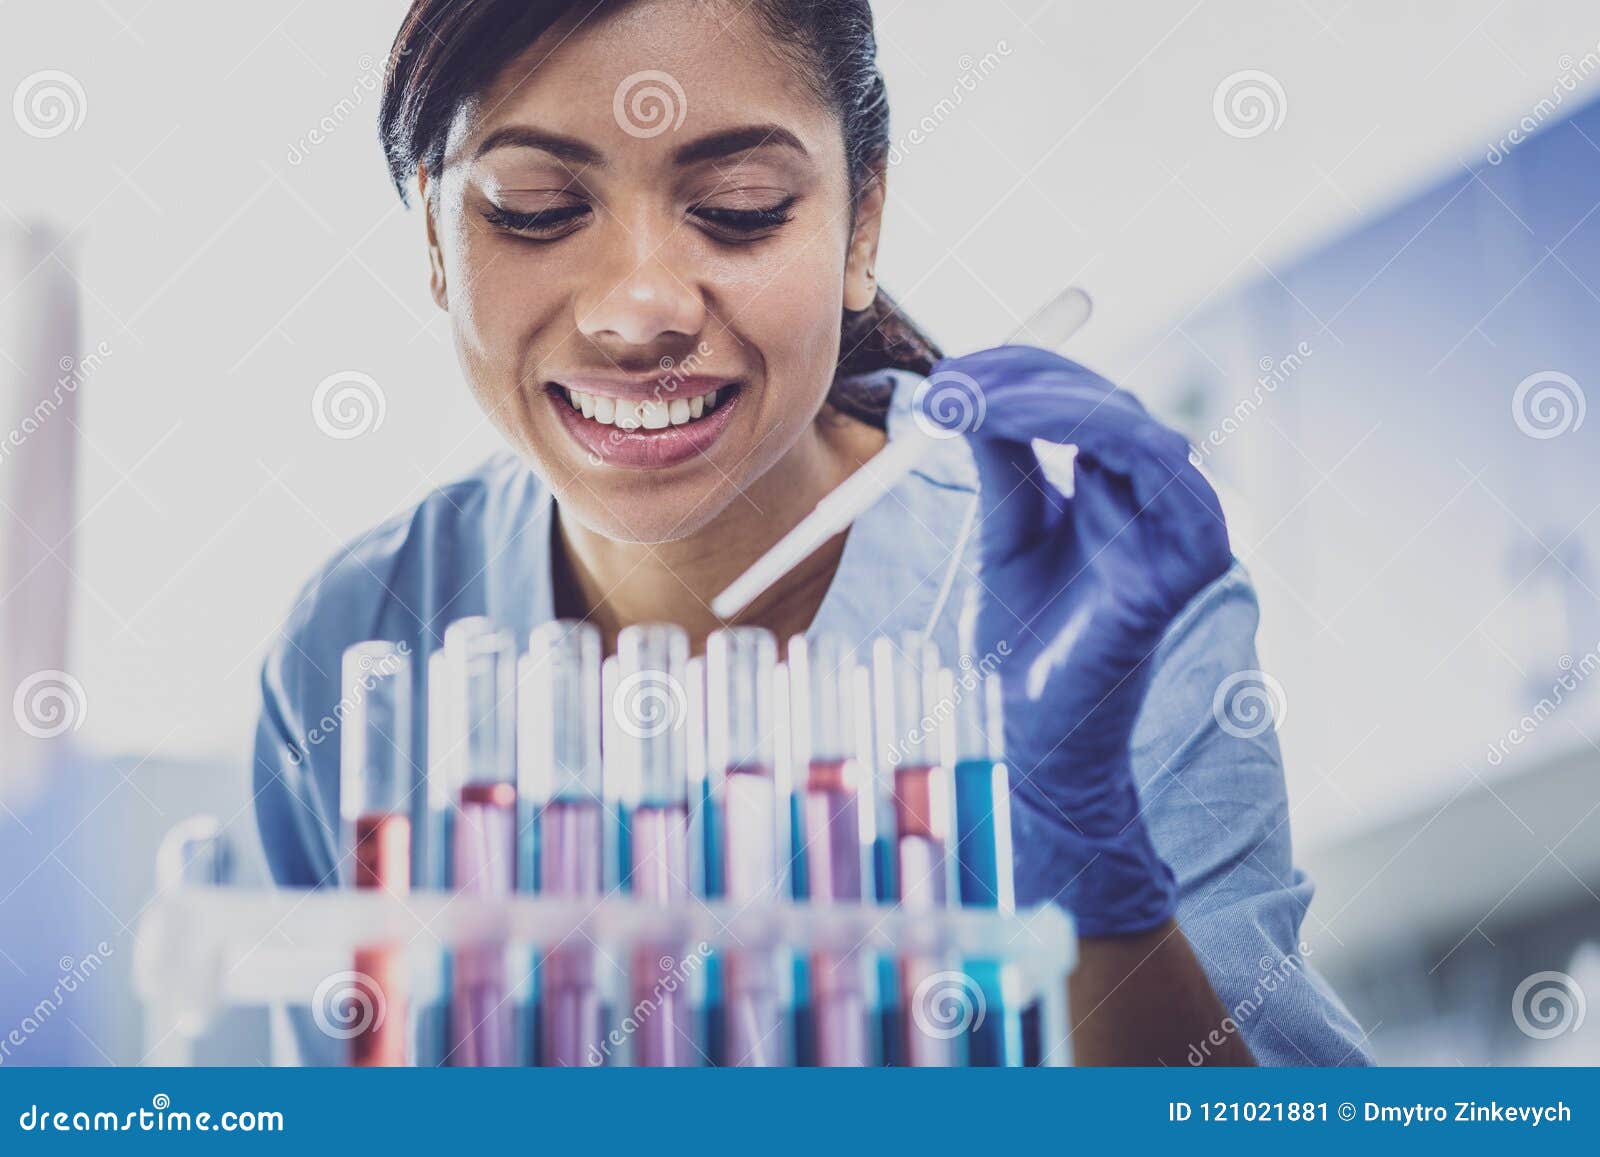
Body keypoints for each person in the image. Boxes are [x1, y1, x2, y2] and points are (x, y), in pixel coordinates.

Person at [253, 0, 1370, 1066]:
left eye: (738, 206)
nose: (638, 310)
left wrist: (1088, 856)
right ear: (436, 235)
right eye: (536, 208)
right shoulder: (360, 646)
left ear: (859, 223)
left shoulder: (1095, 603)